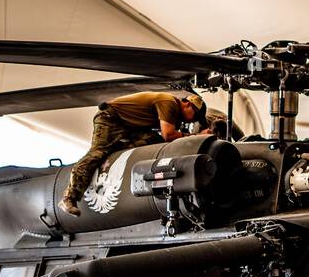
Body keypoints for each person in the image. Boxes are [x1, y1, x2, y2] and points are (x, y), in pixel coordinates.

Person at [60, 92, 208, 216]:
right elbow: (168, 135)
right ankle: (69, 197)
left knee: (153, 139)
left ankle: (118, 154)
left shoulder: (173, 111)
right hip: (110, 118)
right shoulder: (169, 103)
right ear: (188, 105)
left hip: (130, 126)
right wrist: (196, 137)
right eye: (195, 116)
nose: (193, 120)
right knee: (97, 154)